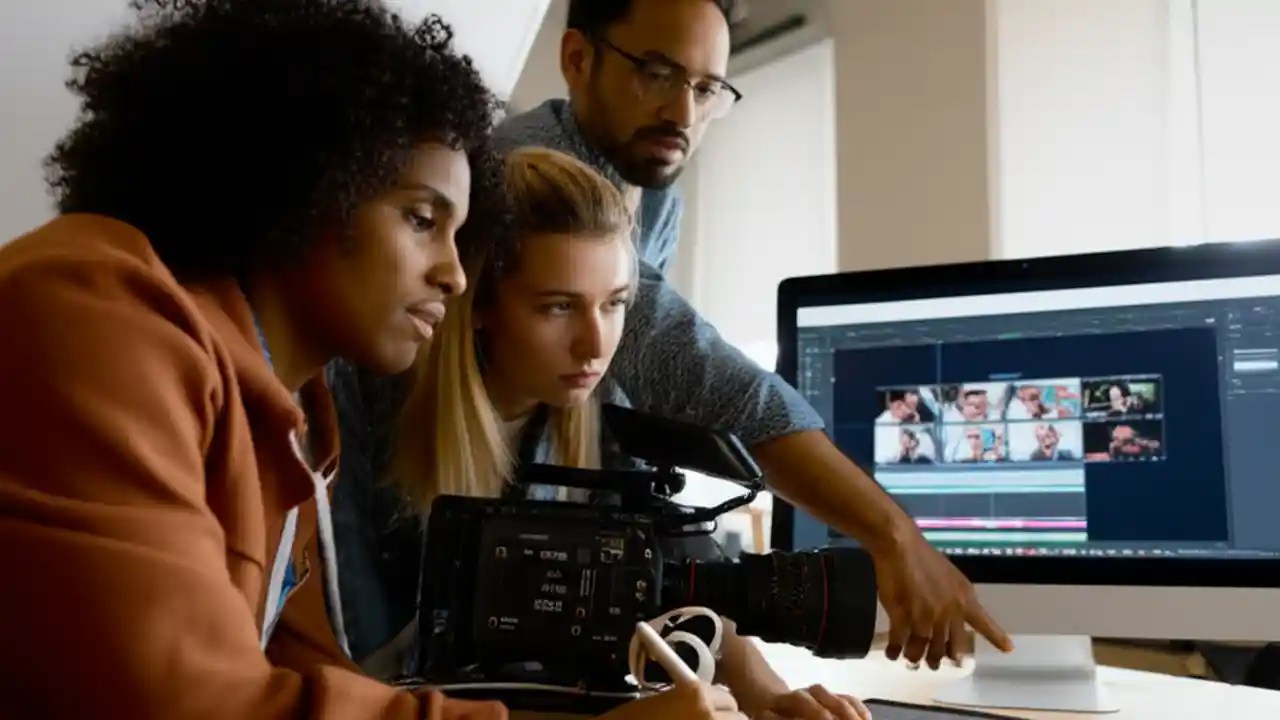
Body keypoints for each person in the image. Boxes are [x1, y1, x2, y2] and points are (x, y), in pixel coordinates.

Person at [0, 2, 516, 717]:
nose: (455, 276)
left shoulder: (290, 416)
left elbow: (296, 666)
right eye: (423, 220)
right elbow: (198, 701)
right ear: (303, 183)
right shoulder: (89, 313)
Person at [496, 0, 1012, 668]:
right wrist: (894, 537)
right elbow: (687, 364)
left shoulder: (651, 201)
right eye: (657, 72)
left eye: (707, 88)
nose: (684, 114)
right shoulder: (516, 175)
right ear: (577, 59)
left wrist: (759, 686)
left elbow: (626, 448)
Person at [332, 146, 871, 720]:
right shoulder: (366, 409)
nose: (595, 345)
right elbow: (352, 673)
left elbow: (682, 563)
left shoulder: (598, 404)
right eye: (558, 308)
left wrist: (768, 694)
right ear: (479, 301)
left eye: (614, 304)